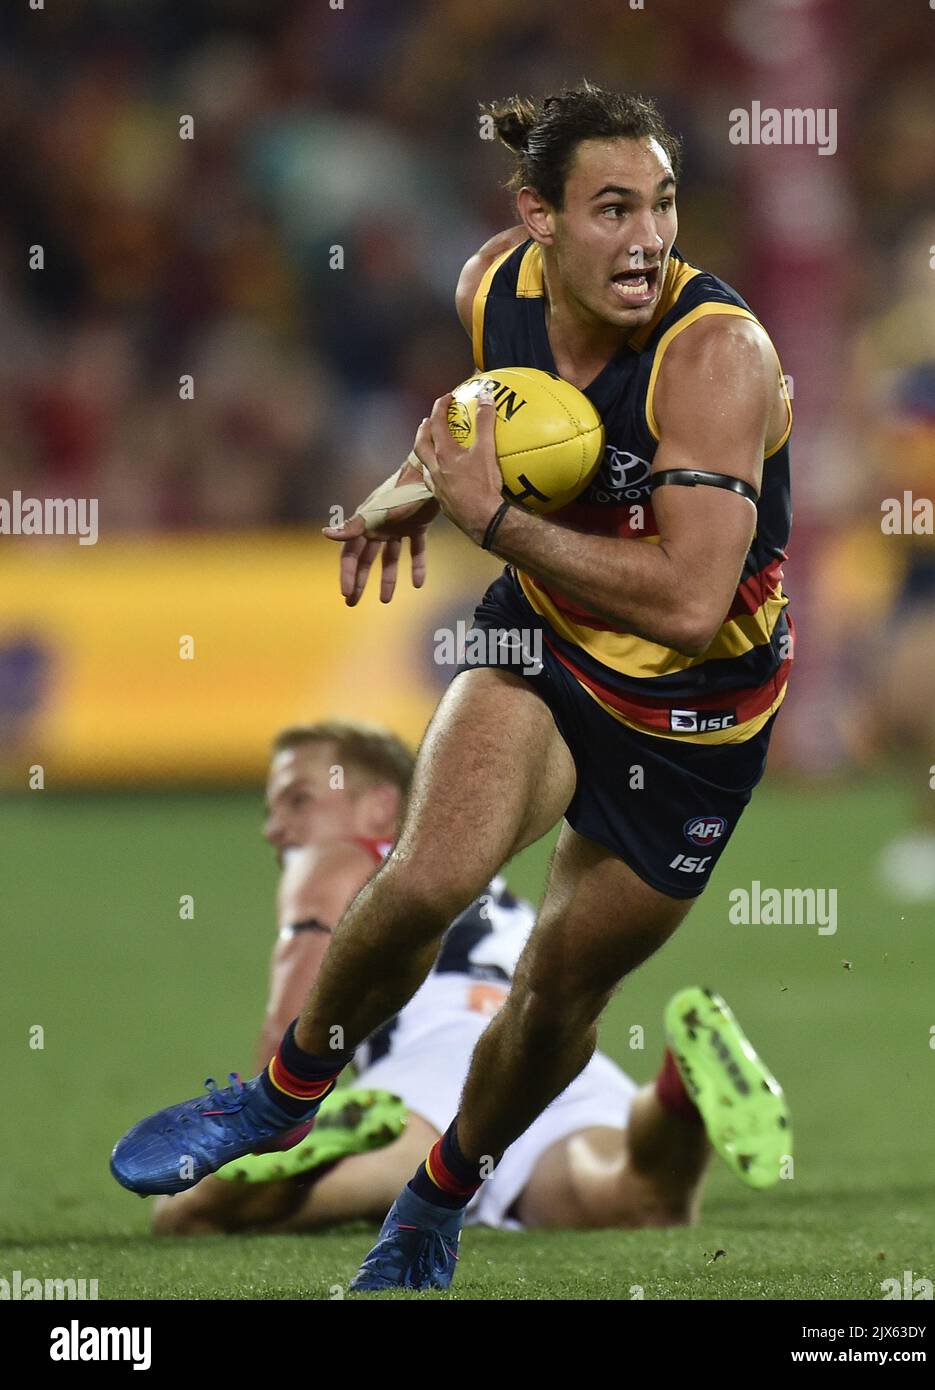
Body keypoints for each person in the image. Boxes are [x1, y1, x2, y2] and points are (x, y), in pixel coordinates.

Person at [112, 82, 795, 1293]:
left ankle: (436, 1199)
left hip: (697, 711)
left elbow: (694, 602)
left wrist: (492, 523)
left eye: (665, 205)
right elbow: (491, 426)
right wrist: (420, 484)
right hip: (545, 643)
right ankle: (281, 1097)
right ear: (538, 219)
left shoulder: (715, 355)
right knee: (428, 872)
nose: (649, 238)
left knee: (554, 996)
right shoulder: (494, 288)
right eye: (613, 208)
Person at [152, 721, 790, 1238]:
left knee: (186, 1214)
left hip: (437, 1069)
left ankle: (290, 1169)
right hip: (545, 1054)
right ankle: (678, 1096)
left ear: (379, 805)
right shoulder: (471, 873)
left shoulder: (340, 860)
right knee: (636, 1198)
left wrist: (271, 1116)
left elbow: (304, 957)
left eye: (298, 800)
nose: (276, 828)